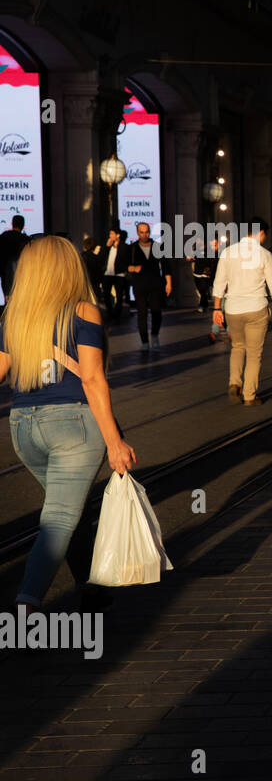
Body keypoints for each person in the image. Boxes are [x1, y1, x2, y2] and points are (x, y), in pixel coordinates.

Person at [0, 235, 136, 610]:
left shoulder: (14, 316)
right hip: (73, 425)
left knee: (67, 506)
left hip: (24, 427)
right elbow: (92, 379)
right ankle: (25, 610)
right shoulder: (83, 311)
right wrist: (114, 442)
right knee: (60, 518)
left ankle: (90, 583)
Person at [211, 217, 272, 406]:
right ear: (261, 233)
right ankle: (249, 395)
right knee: (253, 353)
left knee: (237, 347)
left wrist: (217, 308)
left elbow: (219, 283)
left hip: (232, 309)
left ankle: (234, 382)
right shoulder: (265, 254)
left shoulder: (228, 252)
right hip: (256, 307)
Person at [124, 222, 171, 349]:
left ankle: (154, 334)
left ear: (149, 232)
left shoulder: (158, 246)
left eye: (147, 232)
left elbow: (166, 266)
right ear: (137, 233)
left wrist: (169, 283)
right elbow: (123, 265)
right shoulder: (132, 248)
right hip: (139, 285)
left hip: (156, 284)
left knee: (156, 311)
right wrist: (133, 268)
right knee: (142, 313)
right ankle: (144, 341)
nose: (144, 234)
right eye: (142, 232)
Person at [98, 229, 129, 319]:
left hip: (119, 274)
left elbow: (126, 259)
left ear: (117, 235)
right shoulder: (108, 247)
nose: (110, 236)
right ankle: (110, 312)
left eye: (112, 234)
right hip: (107, 274)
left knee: (119, 296)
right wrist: (107, 247)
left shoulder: (124, 247)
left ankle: (117, 314)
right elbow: (101, 258)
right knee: (106, 294)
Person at [0, 214, 30, 306]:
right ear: (23, 225)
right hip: (21, 272)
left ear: (12, 223)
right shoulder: (25, 239)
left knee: (8, 299)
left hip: (4, 271)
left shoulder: (4, 236)